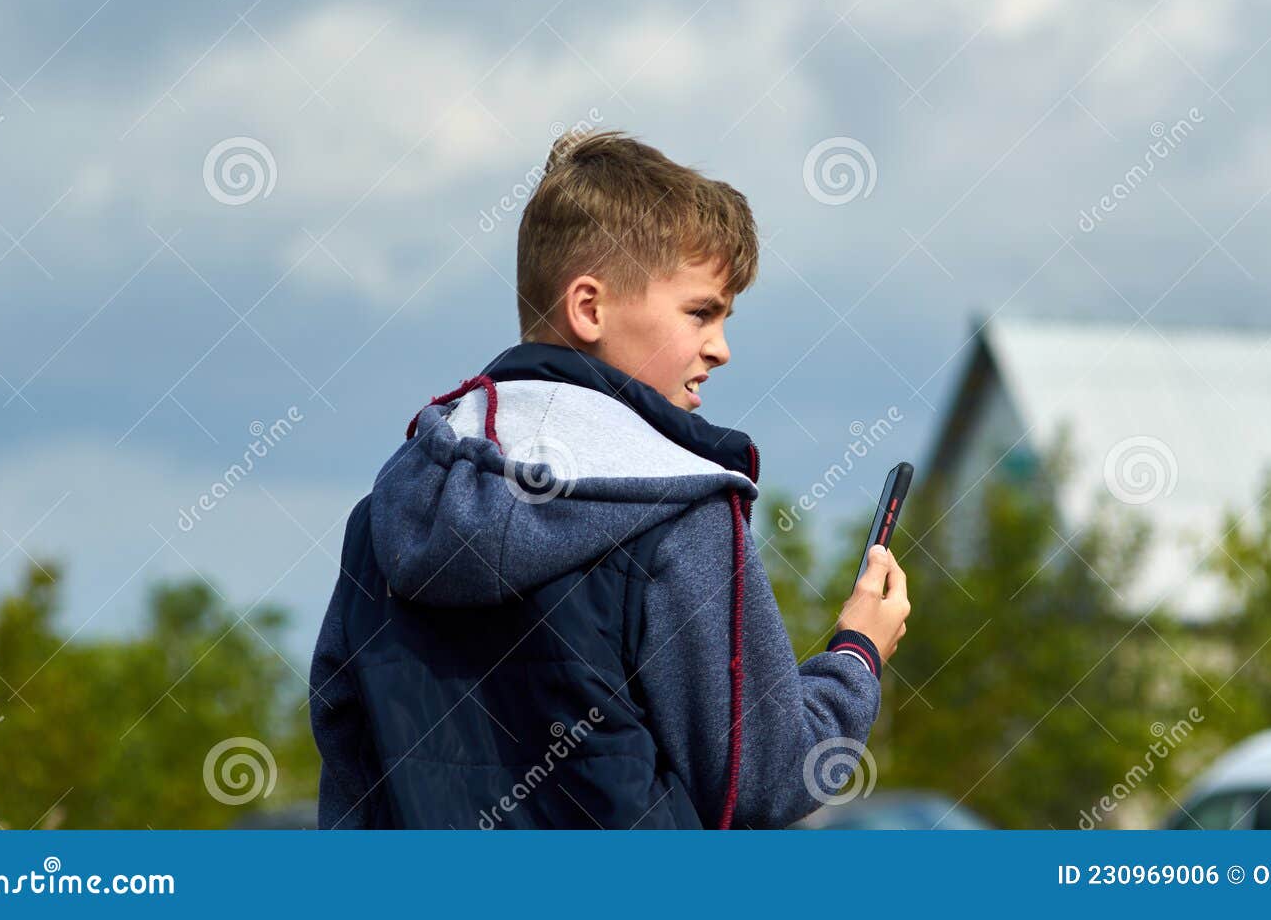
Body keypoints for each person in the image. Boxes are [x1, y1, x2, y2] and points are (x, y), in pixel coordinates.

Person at [309, 129, 911, 829]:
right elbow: (766, 782)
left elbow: (347, 760)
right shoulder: (680, 512)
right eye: (701, 312)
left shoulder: (391, 511)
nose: (720, 347)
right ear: (589, 308)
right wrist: (856, 654)